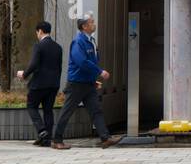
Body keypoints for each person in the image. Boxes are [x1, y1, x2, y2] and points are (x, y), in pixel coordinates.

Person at [52, 13, 118, 150]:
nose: (94, 24)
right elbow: (81, 62)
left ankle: (105, 138)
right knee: (67, 111)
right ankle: (56, 140)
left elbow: (91, 60)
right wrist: (99, 72)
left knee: (96, 110)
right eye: (92, 22)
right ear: (84, 26)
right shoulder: (78, 41)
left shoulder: (90, 40)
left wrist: (93, 79)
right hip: (76, 83)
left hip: (88, 83)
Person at [16, 21, 63, 147]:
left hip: (39, 84)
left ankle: (42, 131)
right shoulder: (58, 47)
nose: (37, 34)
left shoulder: (39, 46)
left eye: (37, 32)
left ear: (40, 31)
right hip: (53, 84)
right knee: (48, 110)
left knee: (31, 106)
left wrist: (24, 74)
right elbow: (59, 67)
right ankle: (46, 139)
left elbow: (34, 64)